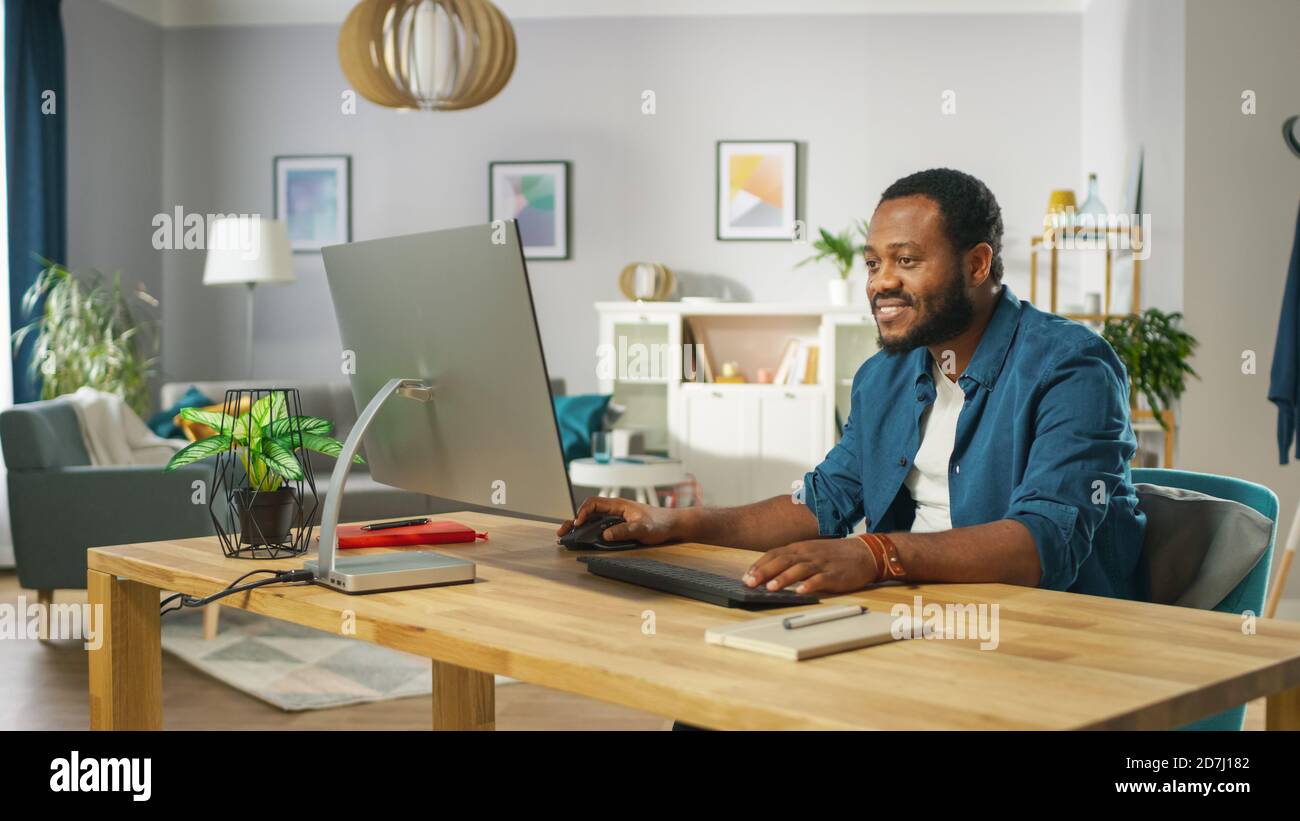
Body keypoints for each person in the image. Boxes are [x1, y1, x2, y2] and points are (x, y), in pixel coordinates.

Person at [558, 168, 1146, 602]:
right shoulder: (885, 375)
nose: (880, 283)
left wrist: (874, 553)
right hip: (908, 609)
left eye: (907, 261)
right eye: (872, 264)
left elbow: (1042, 542)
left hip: (1040, 631)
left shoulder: (1072, 368)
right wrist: (673, 522)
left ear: (977, 265)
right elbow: (826, 500)